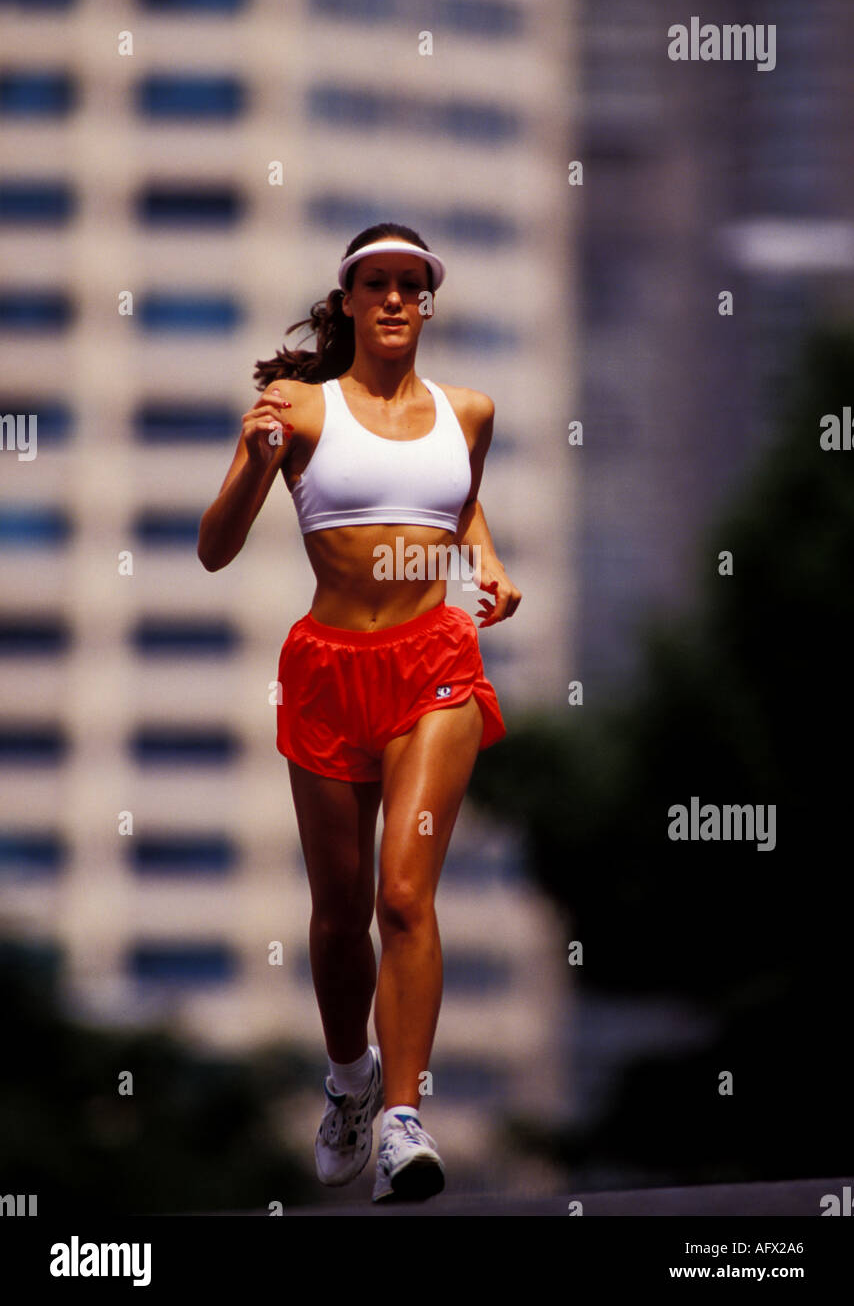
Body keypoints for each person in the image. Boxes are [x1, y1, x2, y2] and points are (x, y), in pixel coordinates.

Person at [198, 222, 521, 1204]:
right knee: (340, 918)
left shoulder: (469, 411)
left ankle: (402, 1117)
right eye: (373, 284)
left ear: (427, 302)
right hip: (328, 672)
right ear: (346, 300)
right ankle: (349, 1083)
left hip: (434, 664)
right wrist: (256, 461)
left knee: (402, 895)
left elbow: (456, 501)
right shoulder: (295, 409)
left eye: (409, 285)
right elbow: (214, 549)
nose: (391, 300)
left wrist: (486, 564)